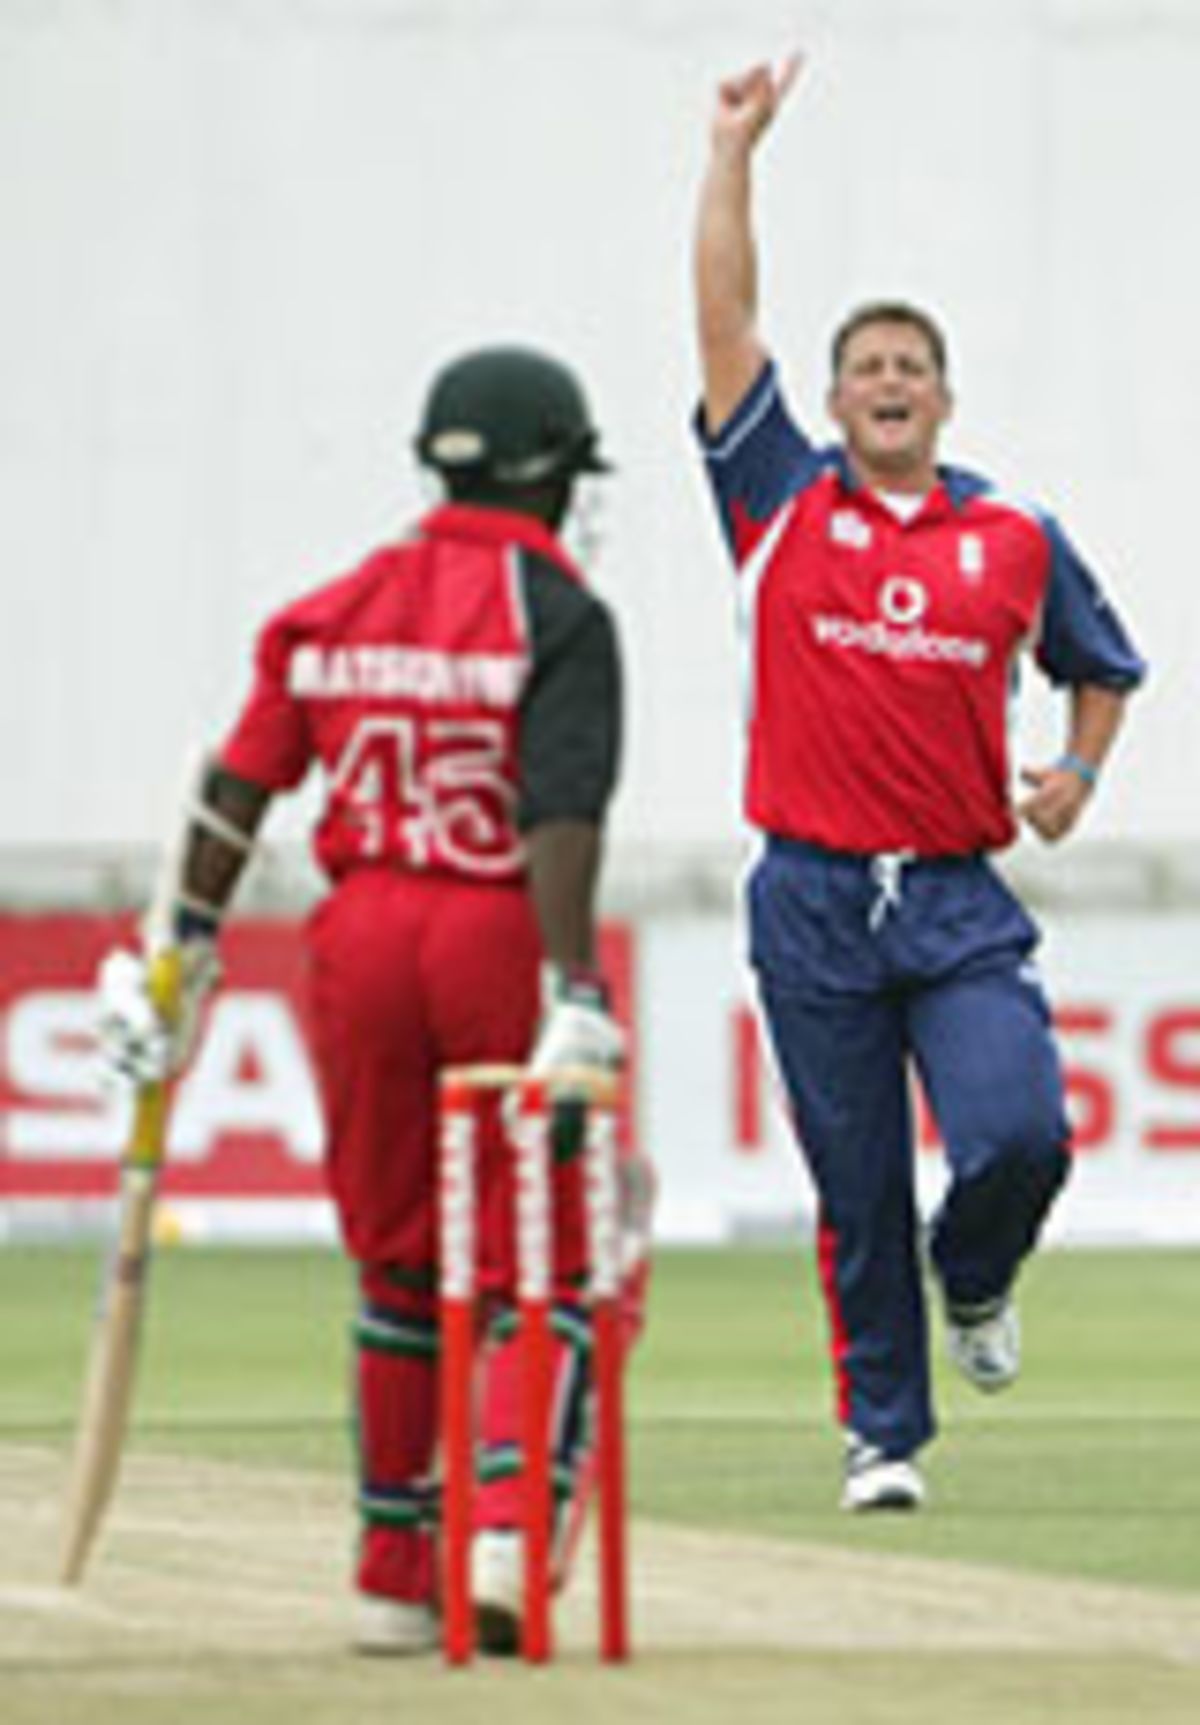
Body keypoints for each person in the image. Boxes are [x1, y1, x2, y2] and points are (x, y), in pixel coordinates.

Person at [96, 344, 646, 1653]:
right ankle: (504, 1536)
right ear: (551, 473)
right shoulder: (560, 615)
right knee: (547, 1261)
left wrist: (178, 947)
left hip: (353, 946)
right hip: (493, 929)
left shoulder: (333, 606)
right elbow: (560, 813)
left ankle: (392, 1571)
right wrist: (573, 980)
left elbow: (235, 789)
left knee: (400, 1259)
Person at [693, 57, 1146, 1512]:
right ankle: (883, 1435)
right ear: (828, 399)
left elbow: (1105, 663)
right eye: (866, 366)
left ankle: (980, 1276)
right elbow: (723, 313)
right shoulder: (778, 503)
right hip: (812, 890)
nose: (889, 382)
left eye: (912, 365)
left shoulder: (1011, 533)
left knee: (1019, 1130)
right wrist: (732, 152)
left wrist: (1075, 767)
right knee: (856, 1183)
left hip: (953, 892)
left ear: (944, 397)